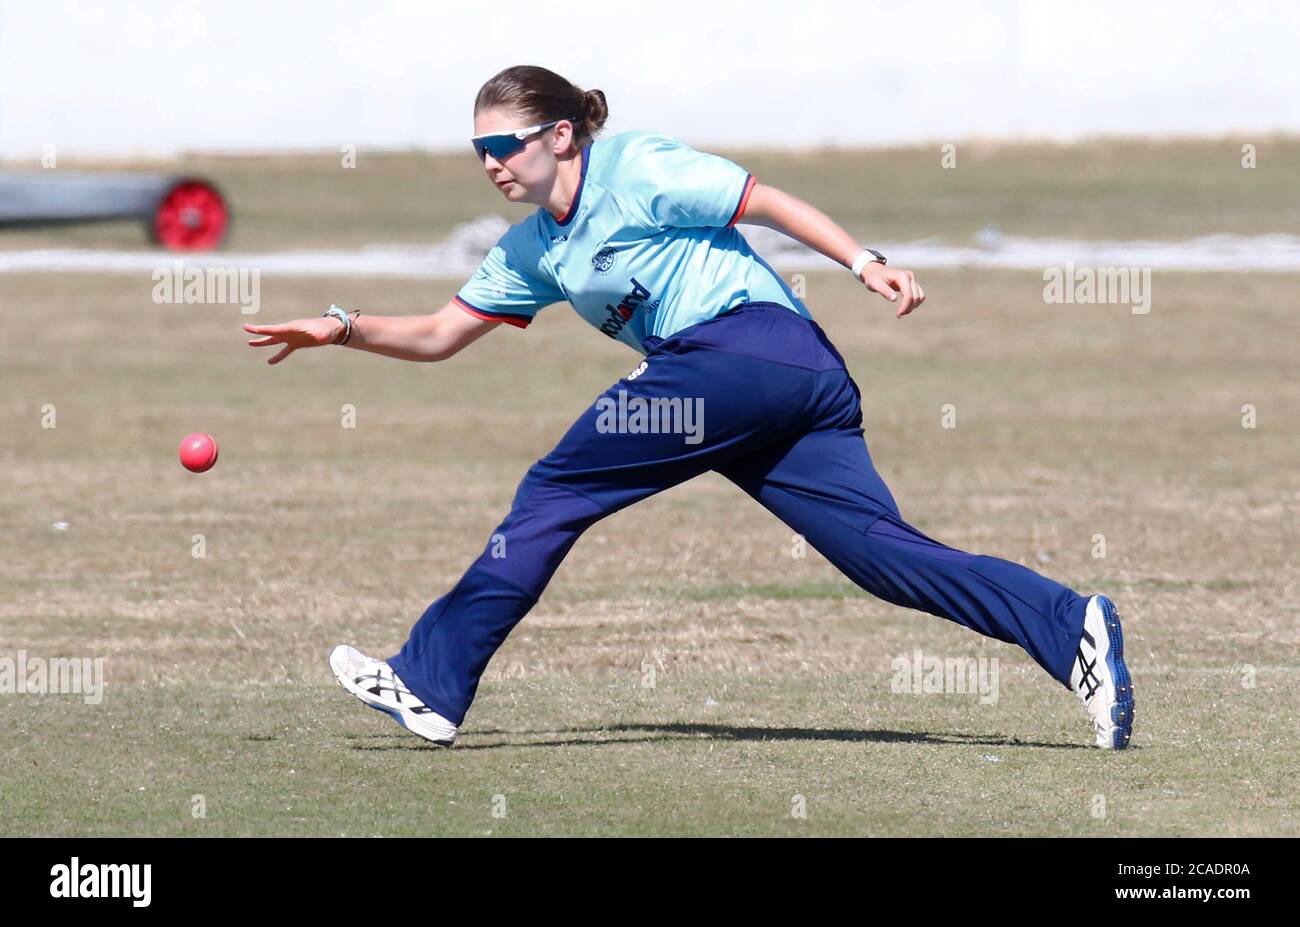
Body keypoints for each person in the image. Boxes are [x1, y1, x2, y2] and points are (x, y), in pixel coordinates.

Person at [244, 65, 1133, 750]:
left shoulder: (635, 165)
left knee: (557, 486)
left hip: (749, 353)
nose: (490, 162)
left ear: (560, 134)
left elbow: (766, 201)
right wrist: (342, 327)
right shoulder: (532, 251)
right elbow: (441, 333)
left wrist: (866, 262)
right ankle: (1068, 624)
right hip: (765, 388)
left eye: (505, 144)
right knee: (881, 557)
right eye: (477, 149)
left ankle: (432, 684)